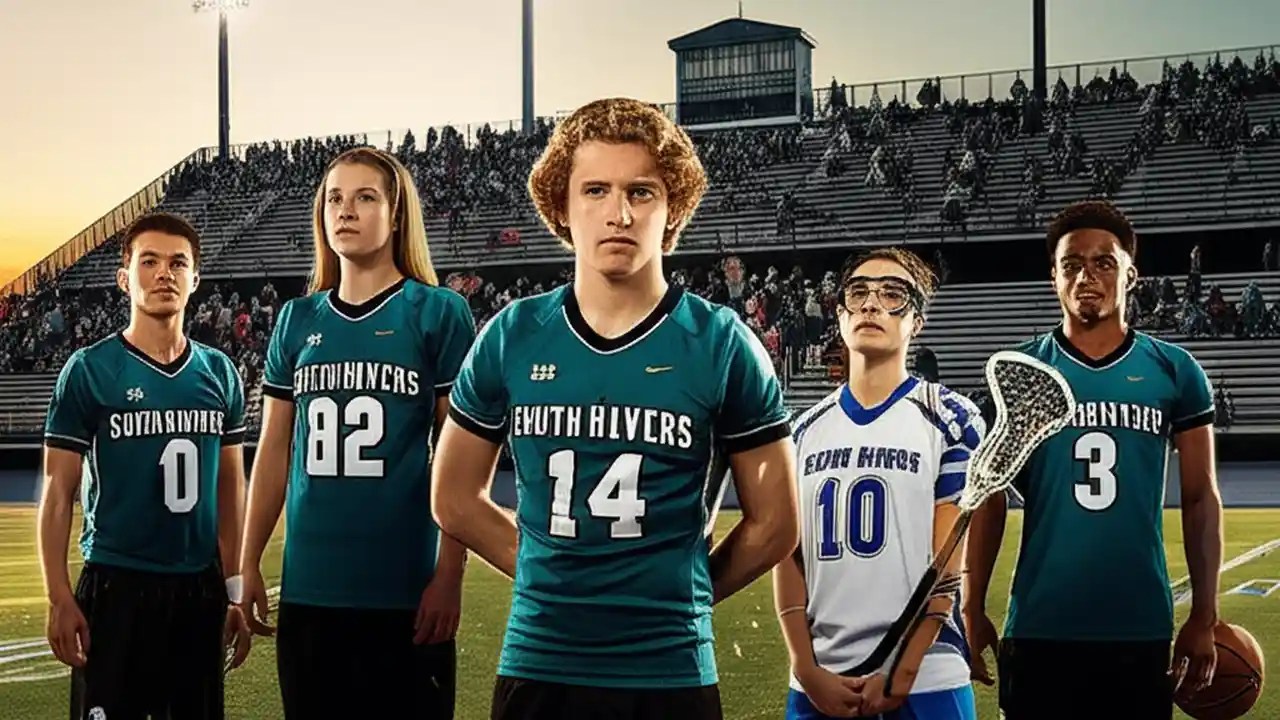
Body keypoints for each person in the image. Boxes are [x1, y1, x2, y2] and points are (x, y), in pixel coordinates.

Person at [431, 97, 800, 720]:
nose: (619, 213)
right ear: (563, 206)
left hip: (669, 666)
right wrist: (546, 573)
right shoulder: (512, 333)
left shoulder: (721, 342)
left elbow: (775, 523)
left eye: (642, 192)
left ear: (672, 206)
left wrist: (688, 595)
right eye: (596, 190)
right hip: (539, 661)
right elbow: (453, 497)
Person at [238, 147, 475, 719]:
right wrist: (245, 563)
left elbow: (462, 460)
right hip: (311, 590)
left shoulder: (437, 312)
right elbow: (272, 454)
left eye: (365, 197)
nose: (345, 210)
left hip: (405, 591)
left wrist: (449, 573)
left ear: (396, 215)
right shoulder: (297, 320)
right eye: (334, 198)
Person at [964, 200, 1223, 720]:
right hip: (1040, 624)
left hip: (1139, 626)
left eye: (1104, 262)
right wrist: (972, 605)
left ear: (1131, 274)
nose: (1087, 275)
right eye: (1072, 263)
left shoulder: (1174, 370)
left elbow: (1200, 497)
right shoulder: (1021, 372)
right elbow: (990, 495)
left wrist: (1204, 613)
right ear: (1053, 277)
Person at [39, 212, 251, 720]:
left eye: (178, 263)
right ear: (124, 277)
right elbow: (57, 489)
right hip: (117, 587)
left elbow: (230, 490)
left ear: (195, 278)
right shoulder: (90, 370)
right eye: (149, 261)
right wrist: (58, 595)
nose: (164, 273)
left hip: (197, 586)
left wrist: (235, 592)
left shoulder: (220, 372)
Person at [775, 247, 982, 720]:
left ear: (917, 321)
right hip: (820, 678)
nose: (872, 304)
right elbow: (789, 559)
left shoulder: (950, 417)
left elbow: (947, 565)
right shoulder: (803, 430)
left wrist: (902, 674)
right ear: (841, 314)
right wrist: (806, 670)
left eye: (892, 294)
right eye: (859, 292)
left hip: (927, 677)